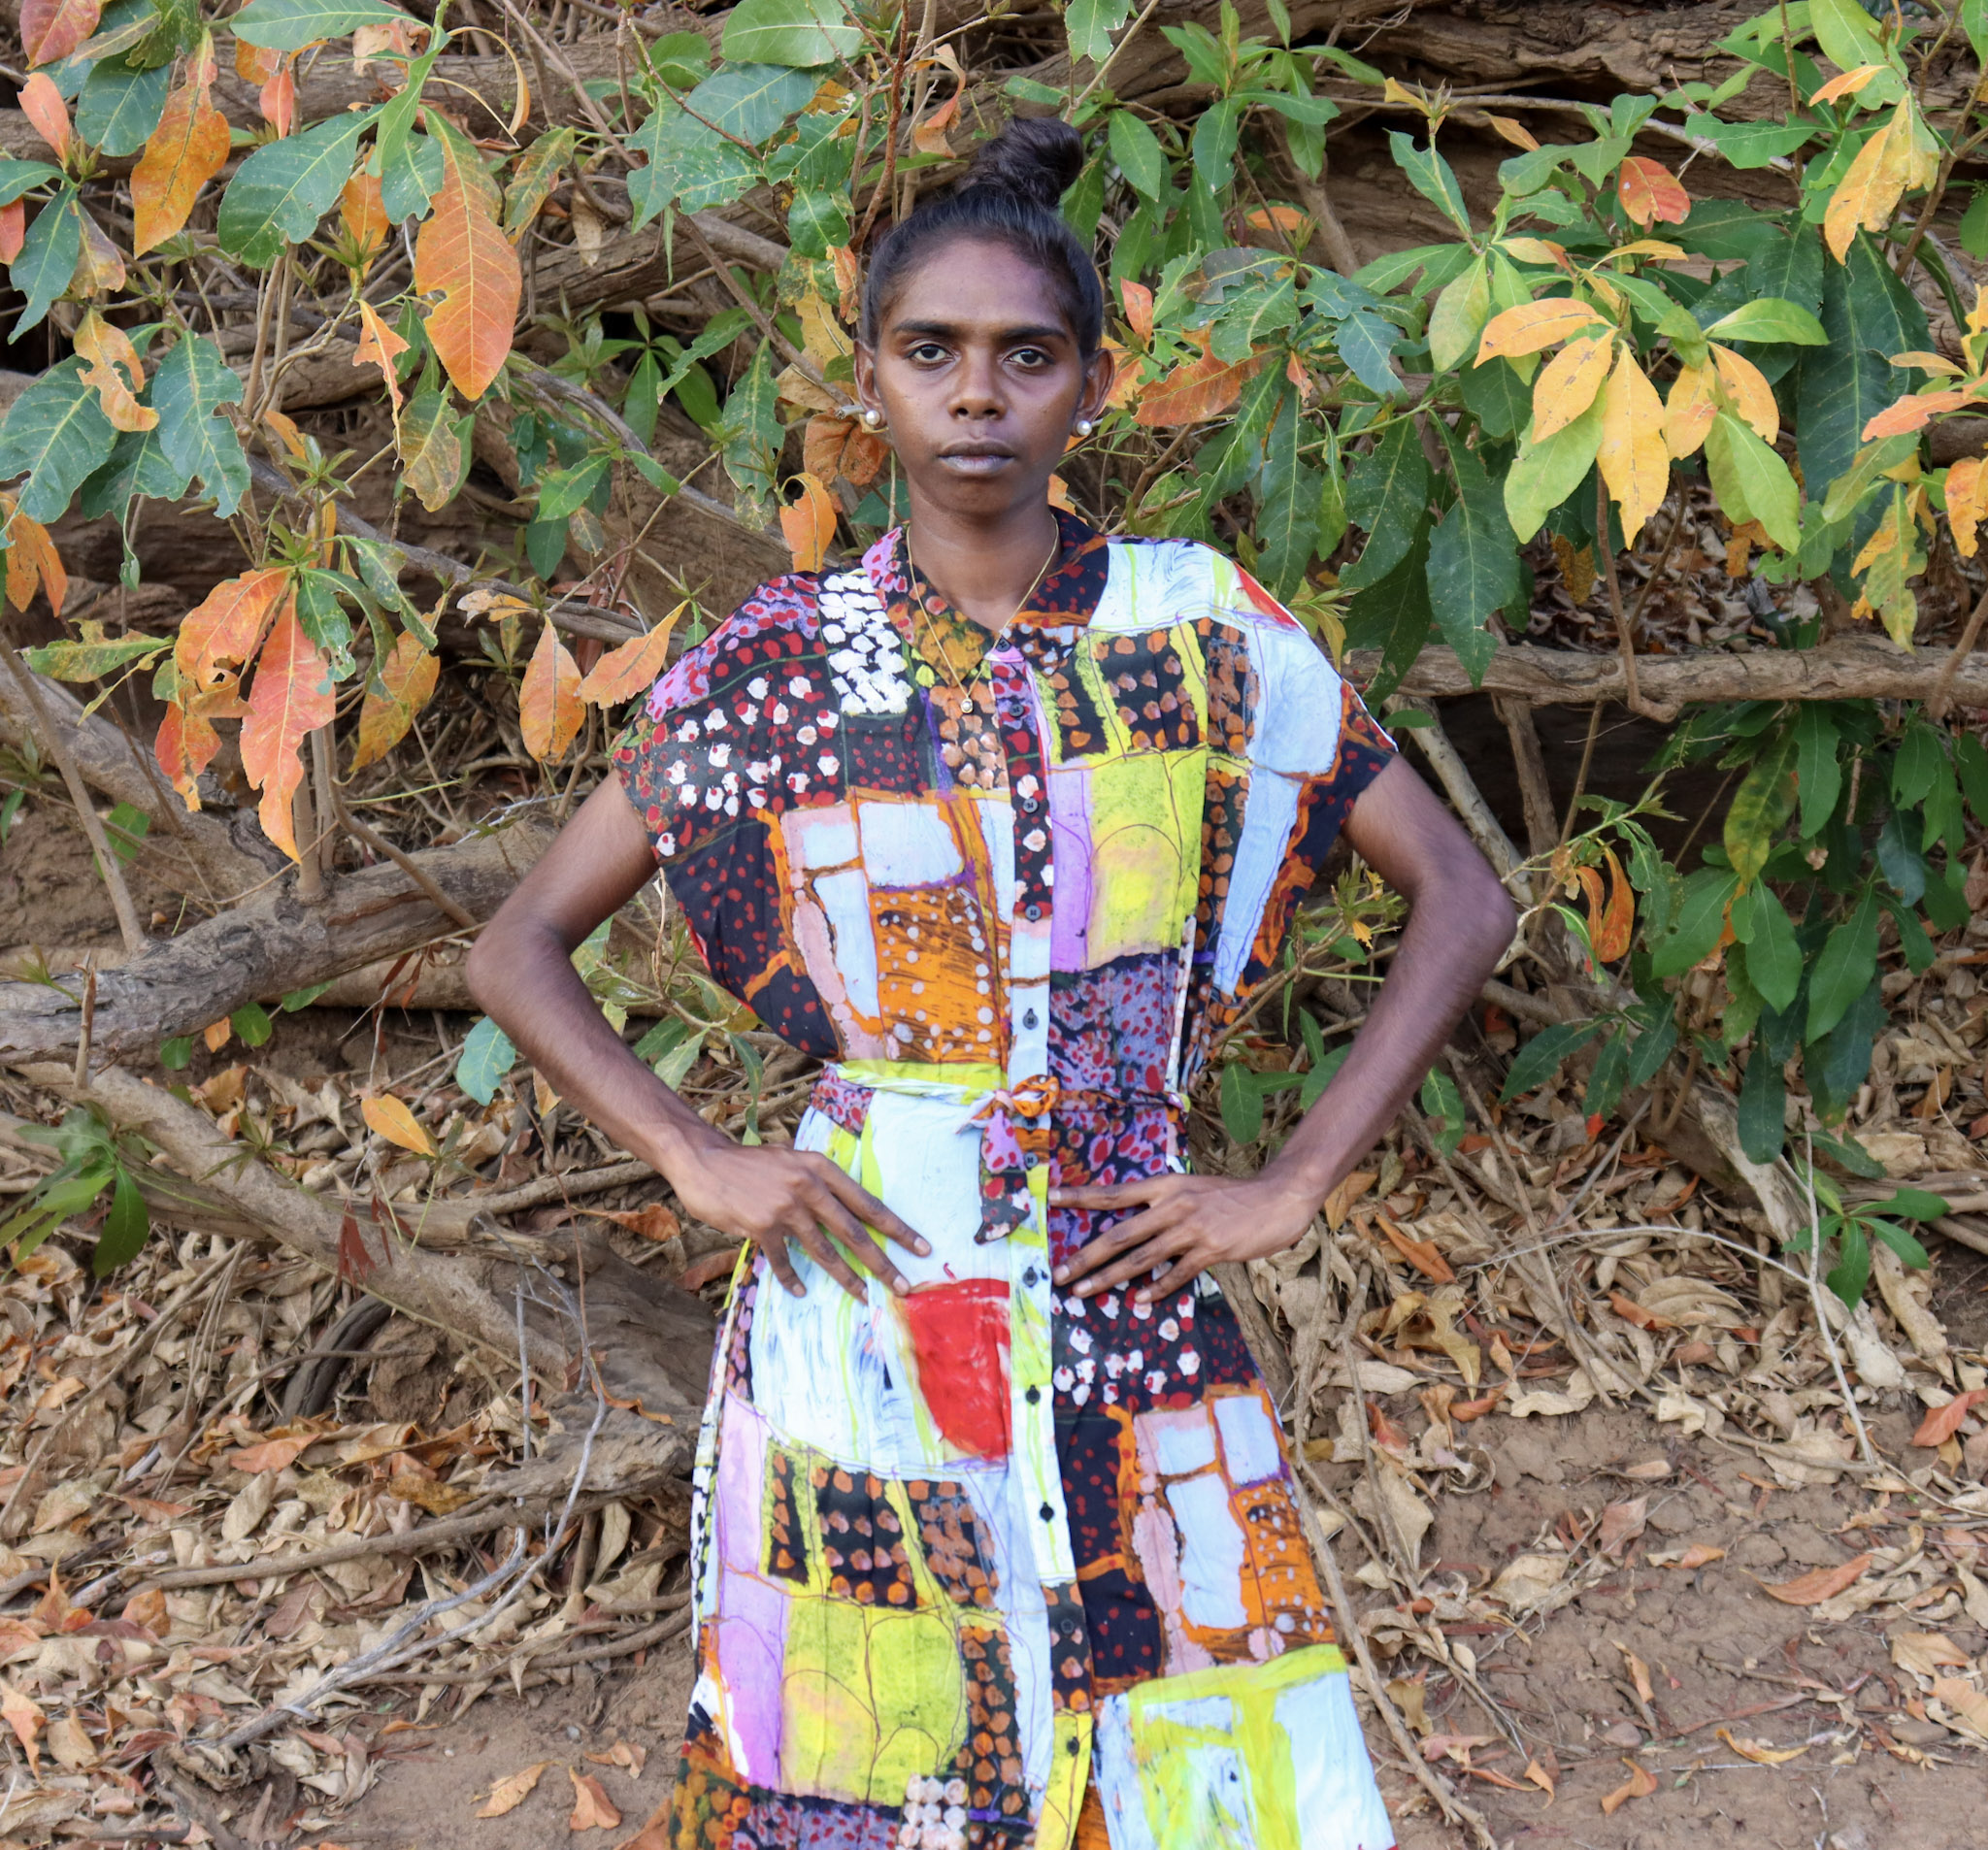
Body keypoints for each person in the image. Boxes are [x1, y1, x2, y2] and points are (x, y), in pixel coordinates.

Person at [467, 115, 1515, 1850]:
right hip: (866, 1294)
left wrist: (1294, 1178)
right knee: (879, 1748)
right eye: (930, 352)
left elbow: (1463, 896)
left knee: (1204, 1738)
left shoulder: (1200, 630)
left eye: (1024, 356)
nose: (976, 395)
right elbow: (517, 946)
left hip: (1126, 1272)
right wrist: (691, 1155)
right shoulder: (781, 666)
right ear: (868, 381)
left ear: (1090, 387)